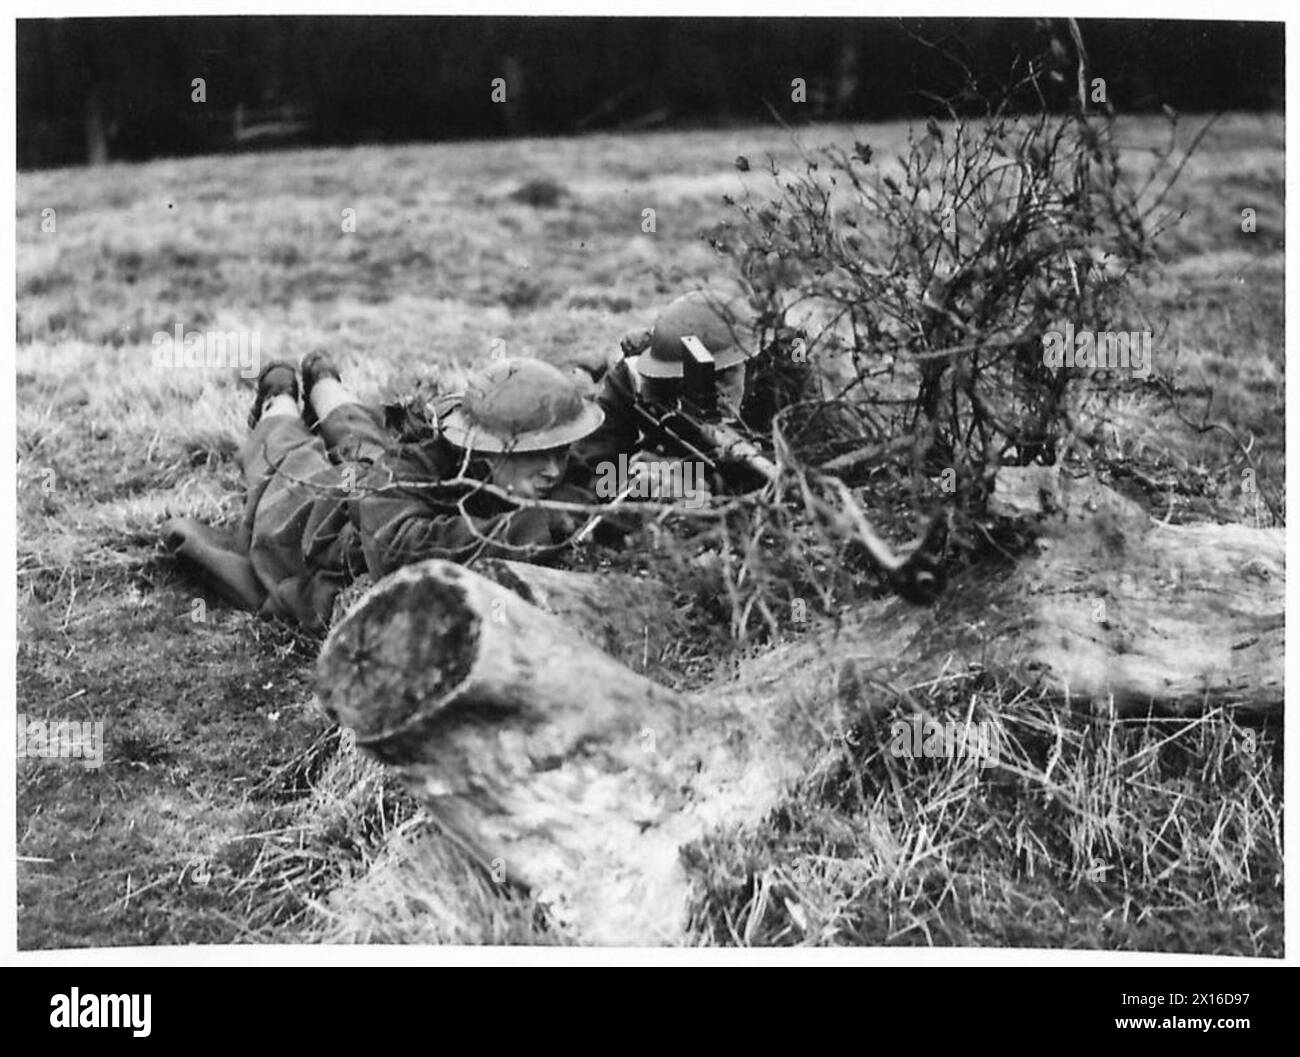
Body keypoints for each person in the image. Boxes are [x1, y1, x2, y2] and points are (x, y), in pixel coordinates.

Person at [163, 353, 604, 632]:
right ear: (485, 450)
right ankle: (278, 396)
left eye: (559, 453)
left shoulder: (539, 465)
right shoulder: (410, 476)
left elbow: (598, 465)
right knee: (289, 459)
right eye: (534, 455)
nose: (553, 468)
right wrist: (543, 522)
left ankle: (324, 381)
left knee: (360, 435)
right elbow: (402, 550)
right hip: (329, 512)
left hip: (379, 470)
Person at [571, 290, 780, 499]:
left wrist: (704, 481)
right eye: (691, 380)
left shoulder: (777, 378)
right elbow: (587, 474)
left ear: (749, 363)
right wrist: (641, 483)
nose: (717, 394)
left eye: (725, 375)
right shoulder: (635, 380)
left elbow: (799, 466)